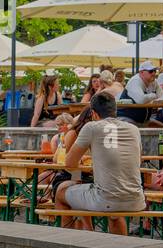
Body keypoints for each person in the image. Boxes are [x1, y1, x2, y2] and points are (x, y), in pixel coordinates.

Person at [54, 91, 145, 234]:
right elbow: (139, 160)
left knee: (60, 193)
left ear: (94, 113)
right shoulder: (134, 129)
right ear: (115, 111)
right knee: (114, 213)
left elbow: (69, 163)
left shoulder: (91, 127)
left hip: (105, 199)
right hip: (136, 199)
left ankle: (68, 246)